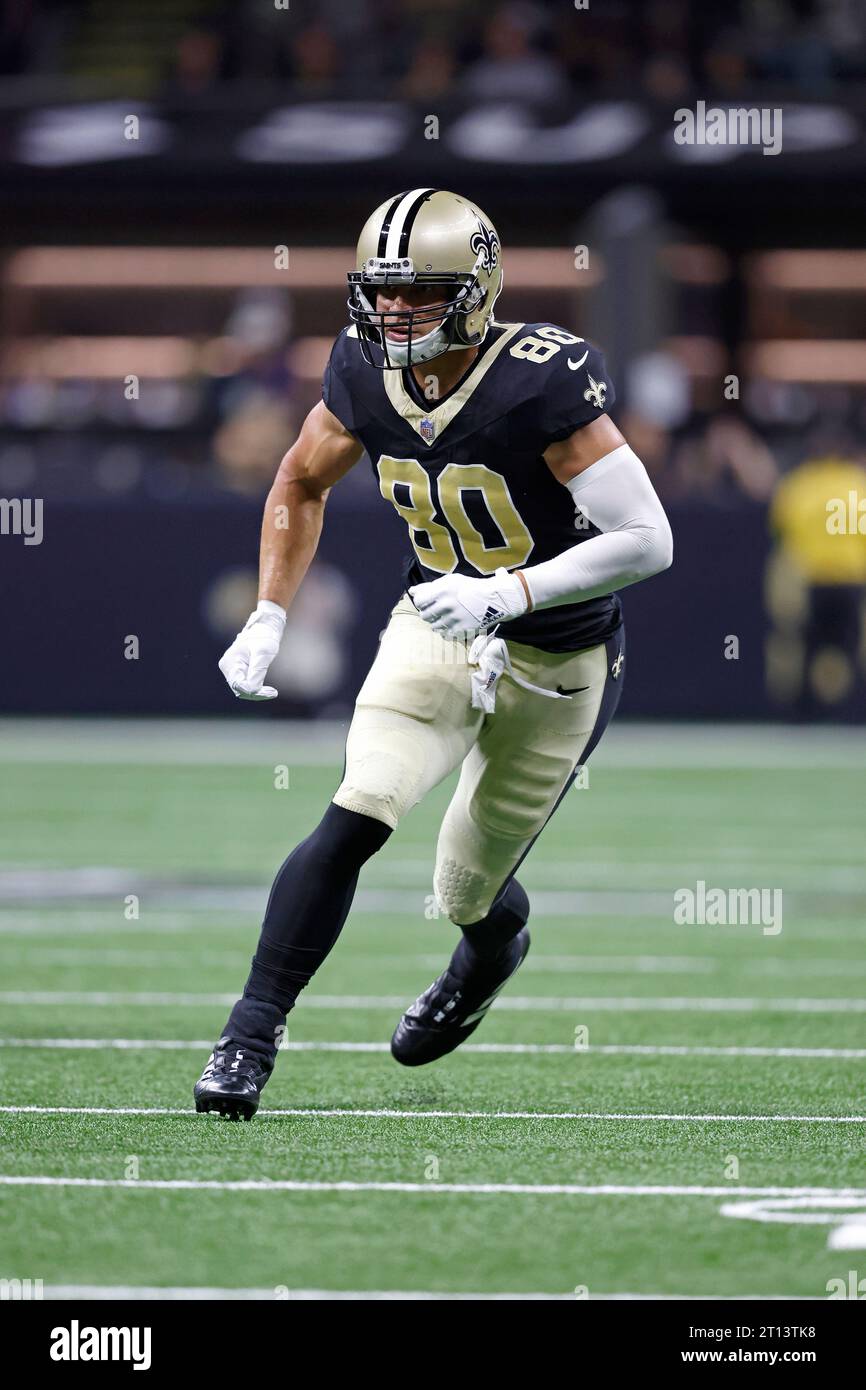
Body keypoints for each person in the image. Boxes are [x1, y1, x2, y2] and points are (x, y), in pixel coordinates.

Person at [194, 188, 673, 1119]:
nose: (393, 312)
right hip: (436, 630)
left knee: (465, 889)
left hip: (557, 660)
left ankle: (490, 955)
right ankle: (248, 1038)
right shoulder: (362, 369)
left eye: (421, 294)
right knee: (358, 809)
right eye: (382, 291)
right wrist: (269, 614)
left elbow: (649, 538)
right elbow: (299, 477)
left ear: (478, 290)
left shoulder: (539, 379)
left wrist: (508, 591)